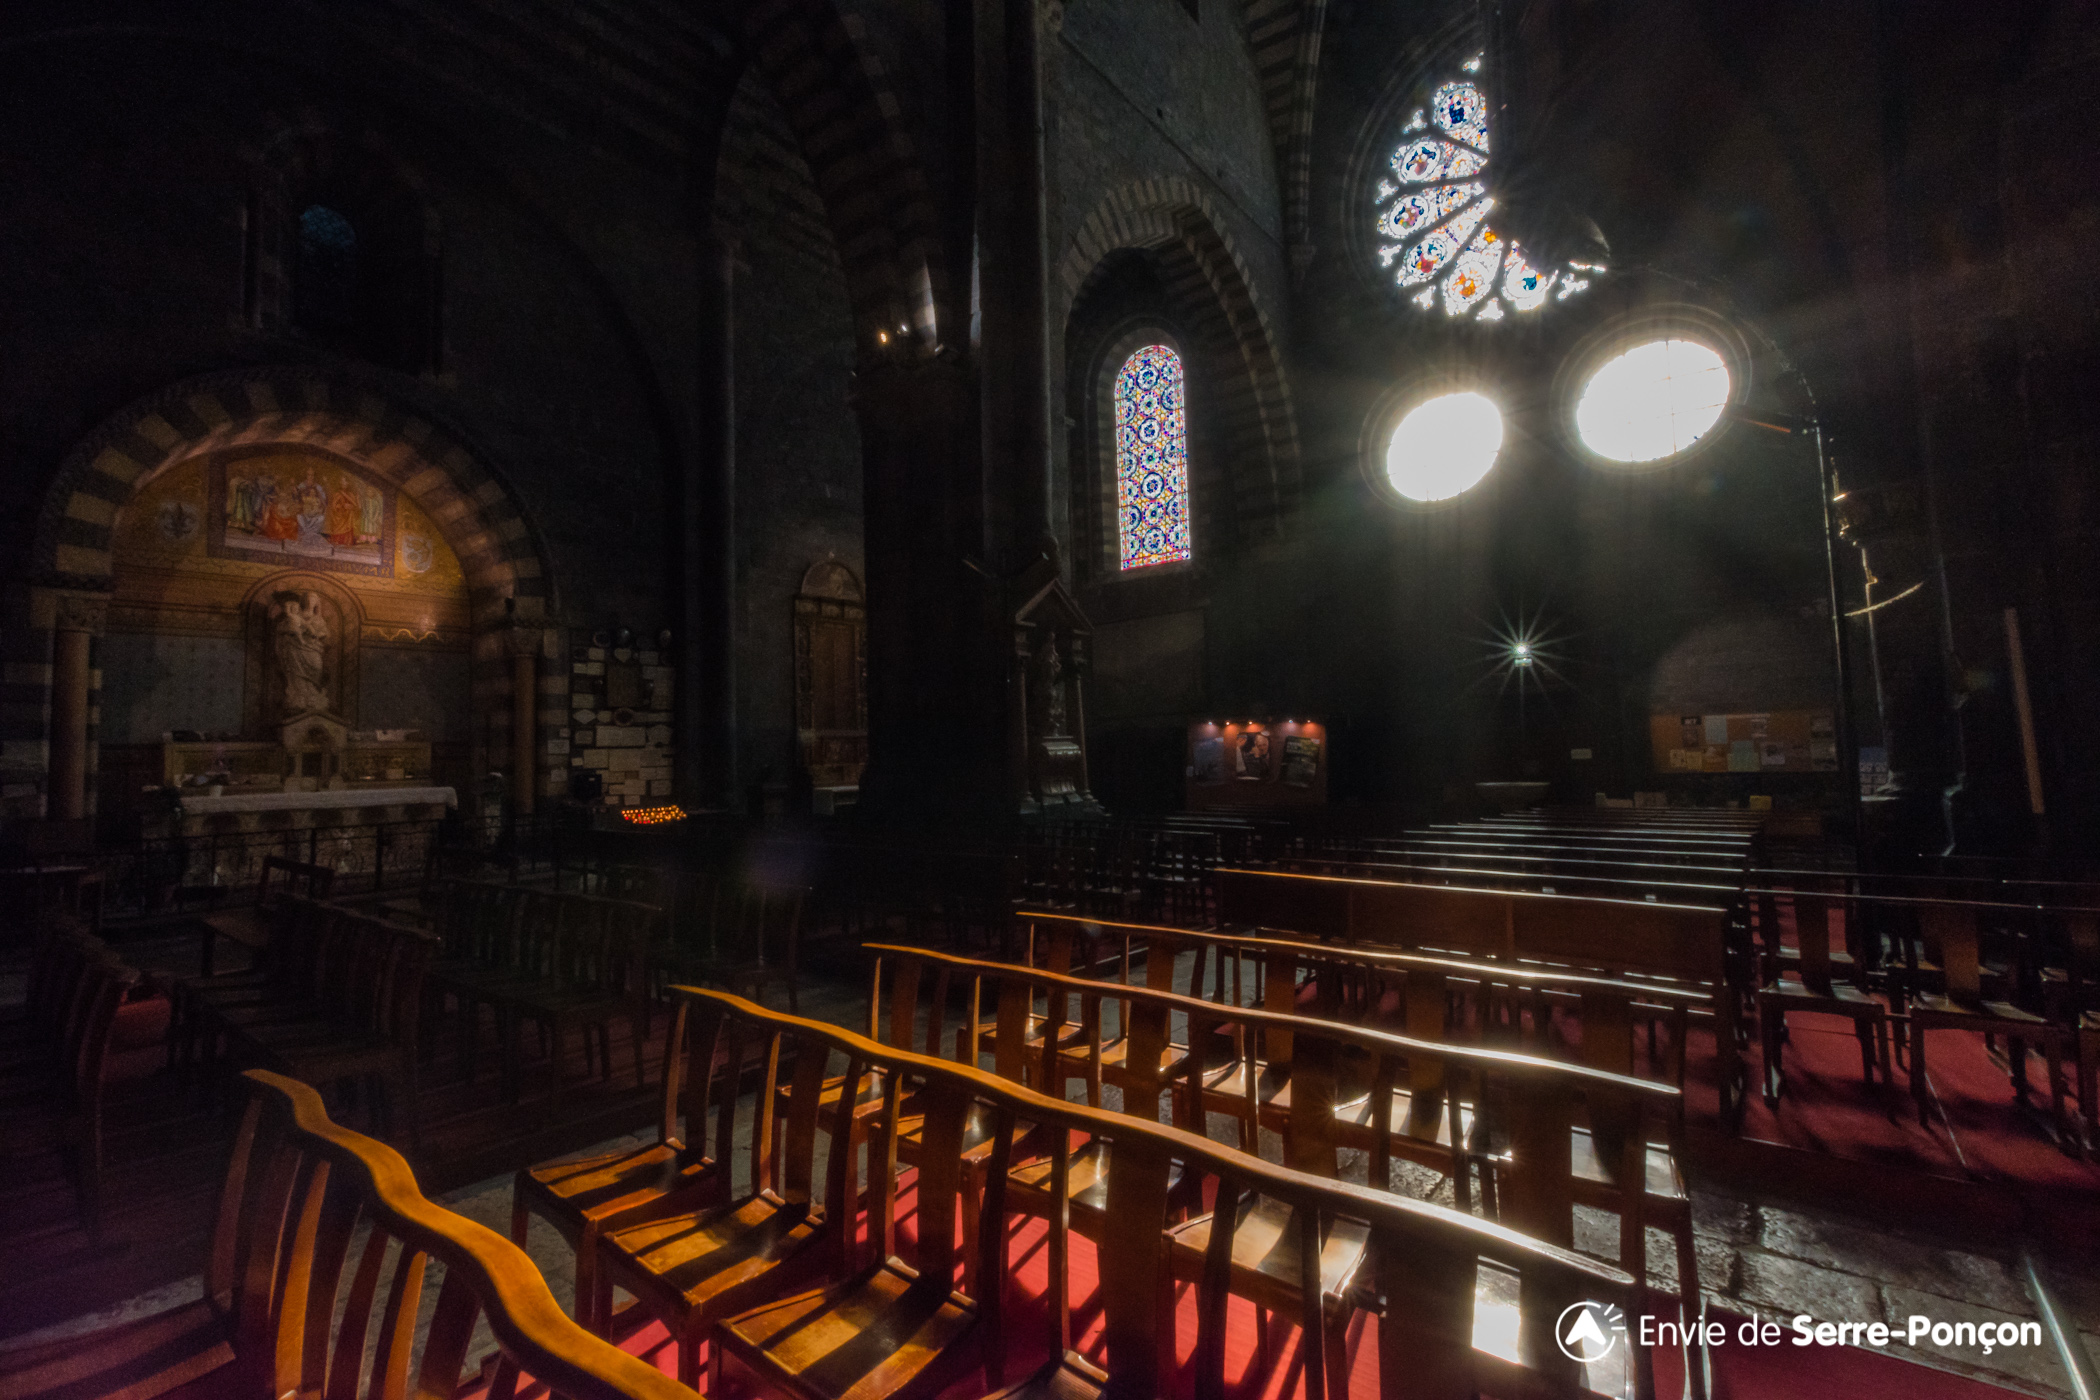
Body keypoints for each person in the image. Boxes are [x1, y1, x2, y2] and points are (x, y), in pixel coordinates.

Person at [271, 591, 332, 714]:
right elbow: (282, 628)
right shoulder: (295, 614)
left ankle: (314, 695)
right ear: (304, 601)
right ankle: (298, 698)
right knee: (296, 674)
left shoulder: (319, 619)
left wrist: (318, 635)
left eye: (314, 599)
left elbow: (326, 635)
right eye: (309, 598)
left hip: (314, 649)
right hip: (295, 649)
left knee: (316, 668)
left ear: (317, 603)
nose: (311, 601)